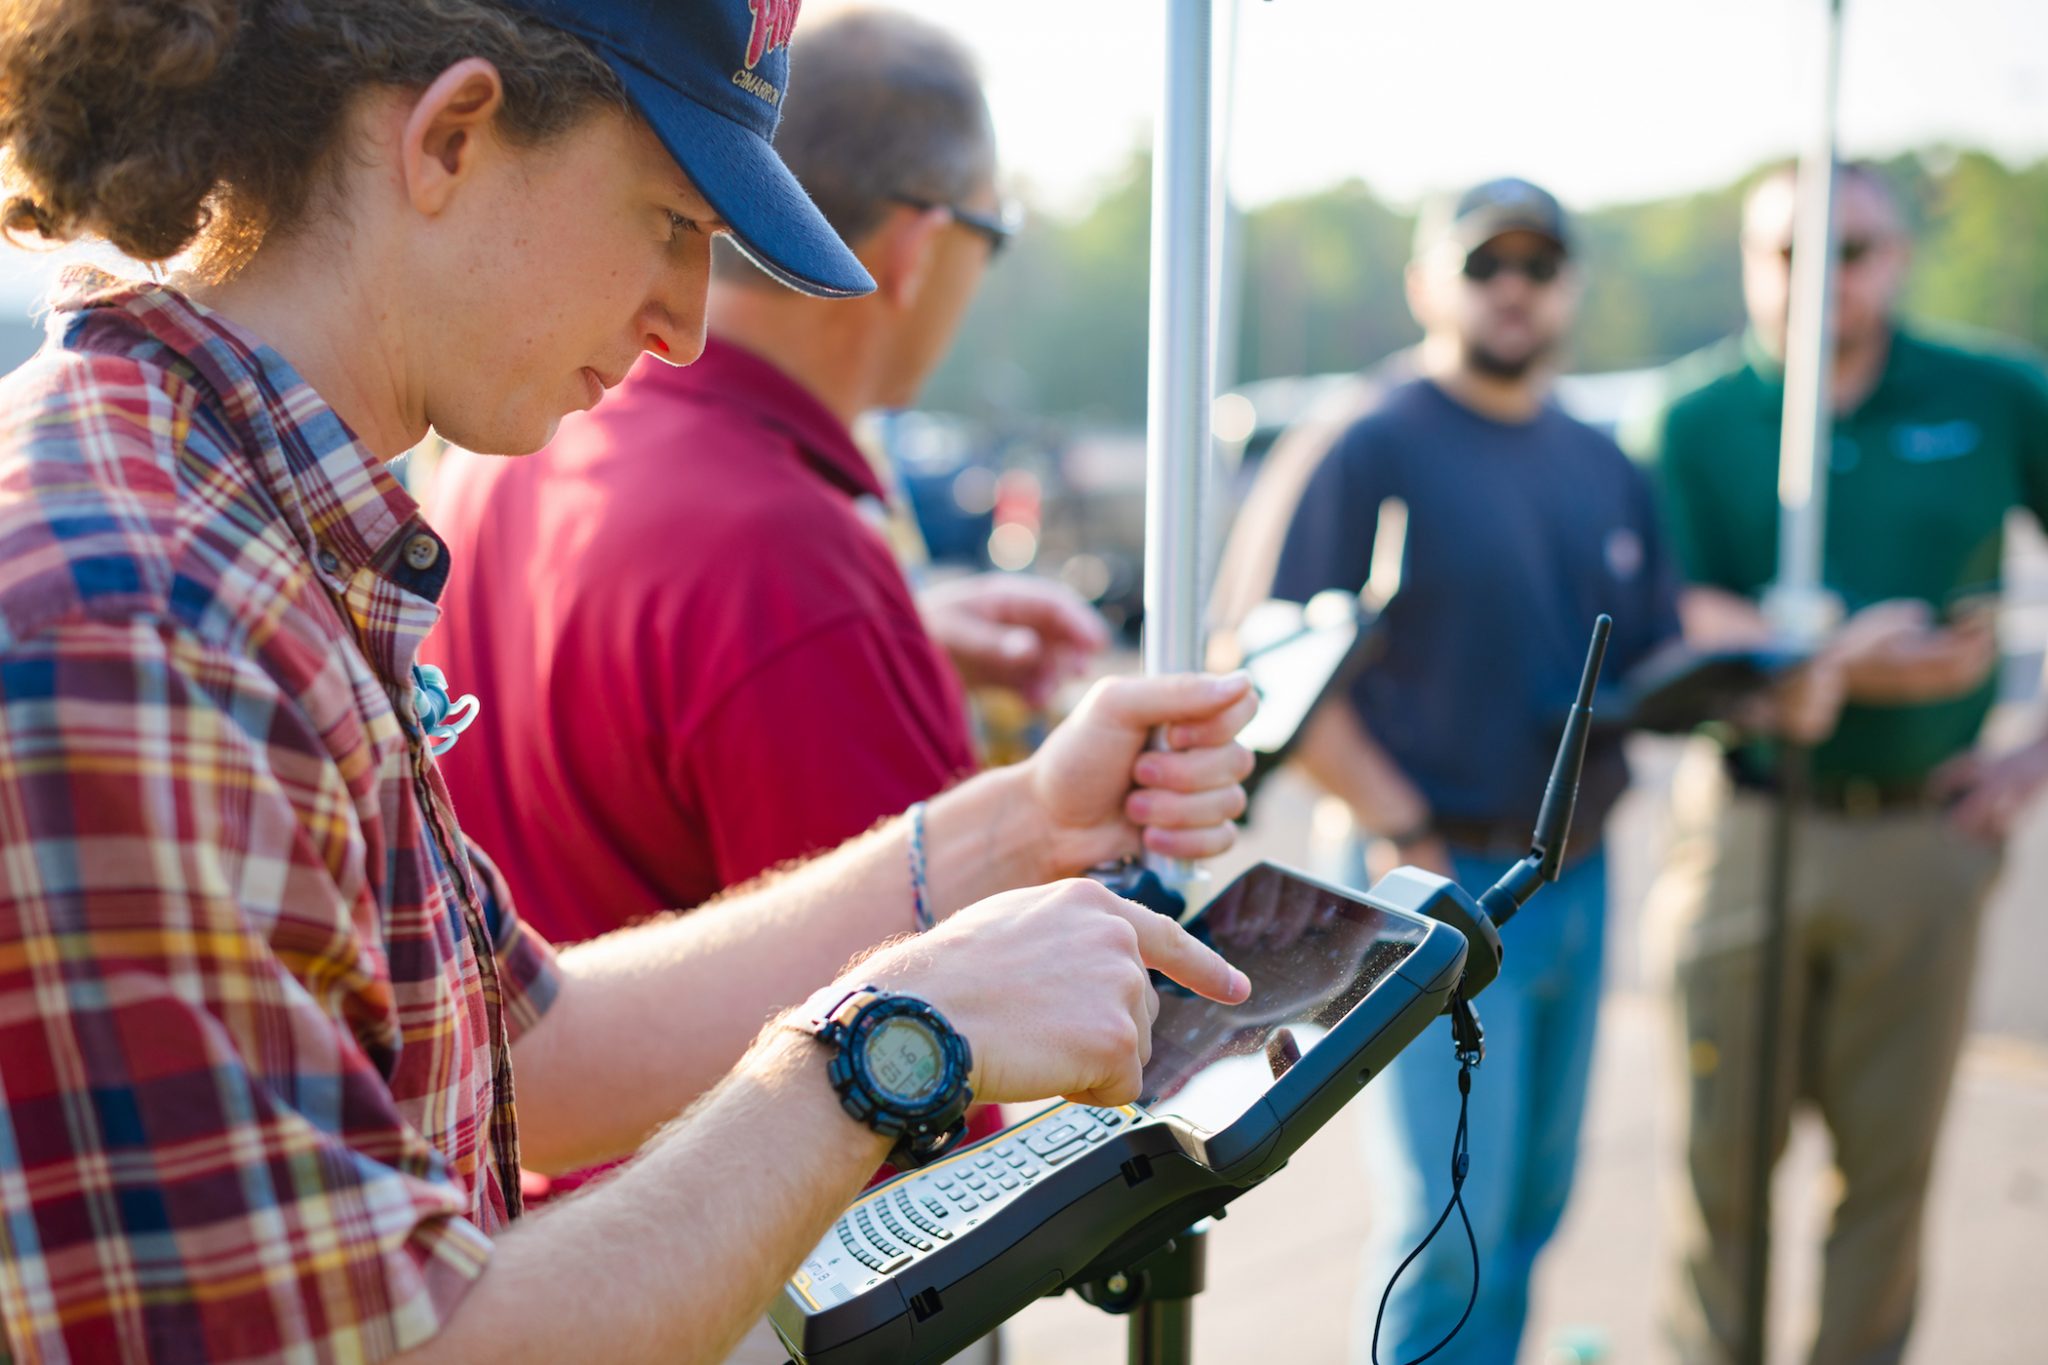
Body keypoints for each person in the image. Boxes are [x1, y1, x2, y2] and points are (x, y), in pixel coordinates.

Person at [0, 4, 1262, 1363]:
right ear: (452, 139)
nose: (685, 325)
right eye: (672, 222)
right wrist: (889, 1047)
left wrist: (1018, 827)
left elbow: (532, 1047)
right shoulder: (131, 615)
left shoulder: (241, 521)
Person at [425, 8, 1108, 954]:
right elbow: (934, 1049)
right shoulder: (790, 563)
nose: (685, 314)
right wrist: (850, 639)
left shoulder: (504, 434)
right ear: (920, 246)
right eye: (994, 234)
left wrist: (894, 642)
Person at [1630, 160, 2048, 1365]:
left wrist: (2028, 759)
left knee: (1885, 1169)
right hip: (1745, 820)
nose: (1823, 282)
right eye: (1788, 254)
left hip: (1921, 834)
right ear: (1748, 264)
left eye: (1852, 251)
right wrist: (1831, 659)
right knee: (1718, 1165)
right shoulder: (1692, 417)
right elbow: (1670, 612)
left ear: (1897, 258)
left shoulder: (1989, 393)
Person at [1259, 179, 1683, 1363]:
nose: (1511, 288)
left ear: (1568, 290)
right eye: (1484, 263)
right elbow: (1274, 665)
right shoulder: (1369, 444)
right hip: (1429, 884)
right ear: (1427, 283)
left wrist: (1779, 664)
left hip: (1576, 882)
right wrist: (1401, 829)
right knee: (1446, 1220)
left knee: (1535, 1215)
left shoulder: (1603, 462)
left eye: (1536, 266)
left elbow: (1656, 645)